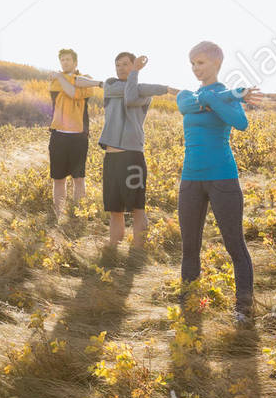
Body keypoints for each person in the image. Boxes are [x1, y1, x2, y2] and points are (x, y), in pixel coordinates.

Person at [177, 42, 260, 324]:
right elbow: (183, 104)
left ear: (216, 63)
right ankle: (189, 304)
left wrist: (222, 98)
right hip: (190, 180)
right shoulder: (189, 94)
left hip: (223, 177)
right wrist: (217, 98)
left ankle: (243, 309)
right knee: (189, 246)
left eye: (200, 62)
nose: (195, 68)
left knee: (234, 244)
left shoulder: (227, 97)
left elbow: (241, 123)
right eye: (192, 63)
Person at [99, 52, 175, 250]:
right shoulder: (110, 84)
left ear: (134, 66)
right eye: (118, 65)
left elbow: (131, 97)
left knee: (137, 208)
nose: (121, 68)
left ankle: (138, 253)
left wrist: (135, 75)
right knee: (114, 209)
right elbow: (131, 91)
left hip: (132, 156)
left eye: (126, 64)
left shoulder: (143, 94)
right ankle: (113, 249)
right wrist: (164, 88)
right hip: (111, 157)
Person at [49, 48, 101, 216]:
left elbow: (72, 91)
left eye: (68, 60)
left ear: (75, 62)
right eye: (62, 60)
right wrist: (95, 83)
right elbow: (74, 89)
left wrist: (62, 77)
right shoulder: (55, 81)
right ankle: (59, 215)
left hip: (79, 136)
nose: (65, 62)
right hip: (59, 135)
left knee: (79, 178)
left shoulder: (86, 80)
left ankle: (78, 215)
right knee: (58, 179)